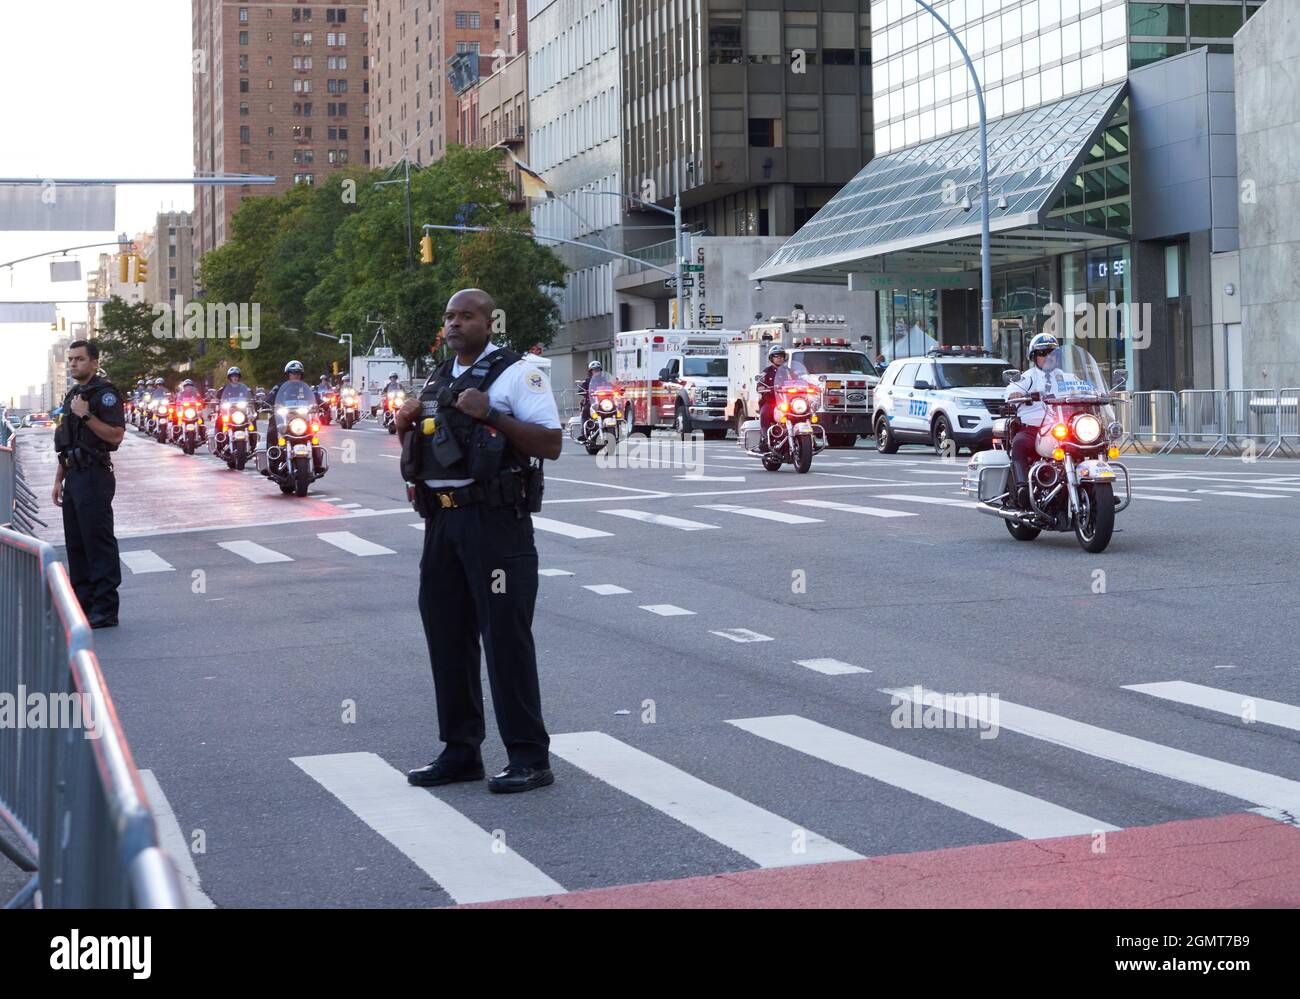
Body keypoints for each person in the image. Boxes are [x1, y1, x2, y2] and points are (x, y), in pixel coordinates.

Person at [396, 288, 562, 795]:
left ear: (491, 323)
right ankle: (461, 750)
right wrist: (403, 424)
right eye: (449, 316)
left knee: (506, 639)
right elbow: (435, 445)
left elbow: (550, 443)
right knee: (447, 636)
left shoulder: (519, 372)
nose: (454, 324)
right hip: (441, 524)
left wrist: (490, 413)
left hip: (495, 522)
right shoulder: (437, 377)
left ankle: (529, 757)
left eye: (466, 316)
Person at [51, 340, 125, 629]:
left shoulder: (104, 394)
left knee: (98, 542)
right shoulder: (73, 394)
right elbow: (67, 441)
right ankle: (82, 605)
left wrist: (86, 414)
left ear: (94, 362)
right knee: (77, 544)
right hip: (74, 475)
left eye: (79, 359)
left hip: (95, 475)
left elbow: (116, 435)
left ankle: (105, 609)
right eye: (70, 360)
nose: (73, 364)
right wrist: (59, 478)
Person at [1004, 332, 1060, 509]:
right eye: (1043, 353)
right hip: (1034, 430)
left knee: (1092, 443)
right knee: (1019, 444)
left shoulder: (1065, 377)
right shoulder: (1027, 377)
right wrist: (1015, 394)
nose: (1048, 357)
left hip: (1060, 428)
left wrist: (1101, 393)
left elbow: (1084, 387)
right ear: (1034, 357)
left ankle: (1096, 487)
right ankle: (1022, 488)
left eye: (1051, 353)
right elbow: (1011, 390)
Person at [756, 344, 788, 449]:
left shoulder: (788, 371)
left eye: (781, 356)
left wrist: (810, 385)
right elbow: (759, 385)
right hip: (771, 402)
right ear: (771, 358)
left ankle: (808, 436)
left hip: (787, 401)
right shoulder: (766, 372)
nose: (779, 358)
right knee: (765, 413)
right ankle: (765, 438)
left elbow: (800, 379)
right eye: (776, 356)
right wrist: (761, 387)